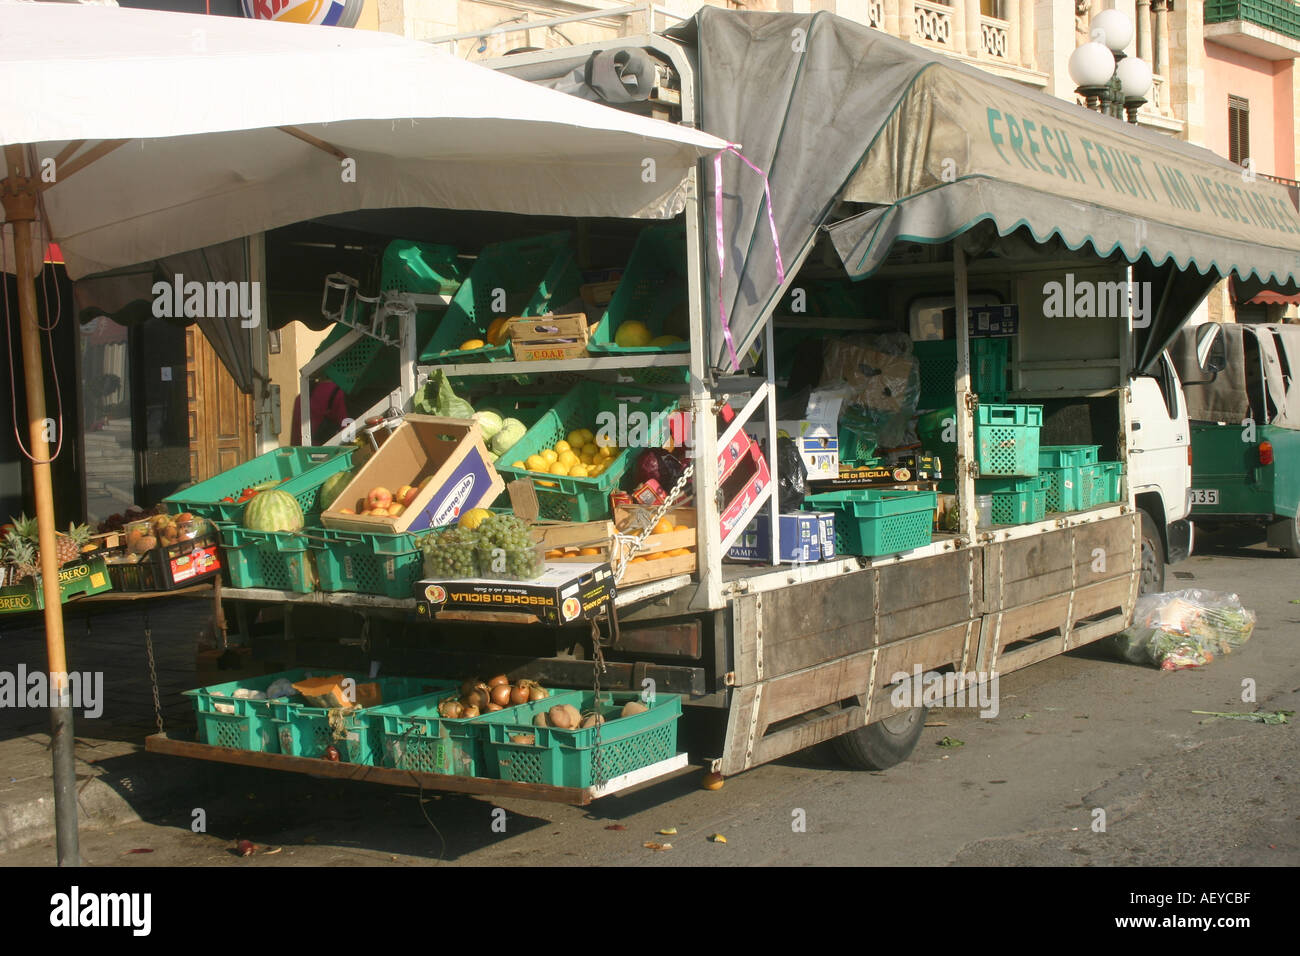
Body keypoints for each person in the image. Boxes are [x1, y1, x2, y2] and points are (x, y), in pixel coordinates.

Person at [291, 377, 348, 445]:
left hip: (305, 452)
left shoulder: (301, 398)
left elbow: (295, 439)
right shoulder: (340, 393)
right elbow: (348, 433)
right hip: (333, 452)